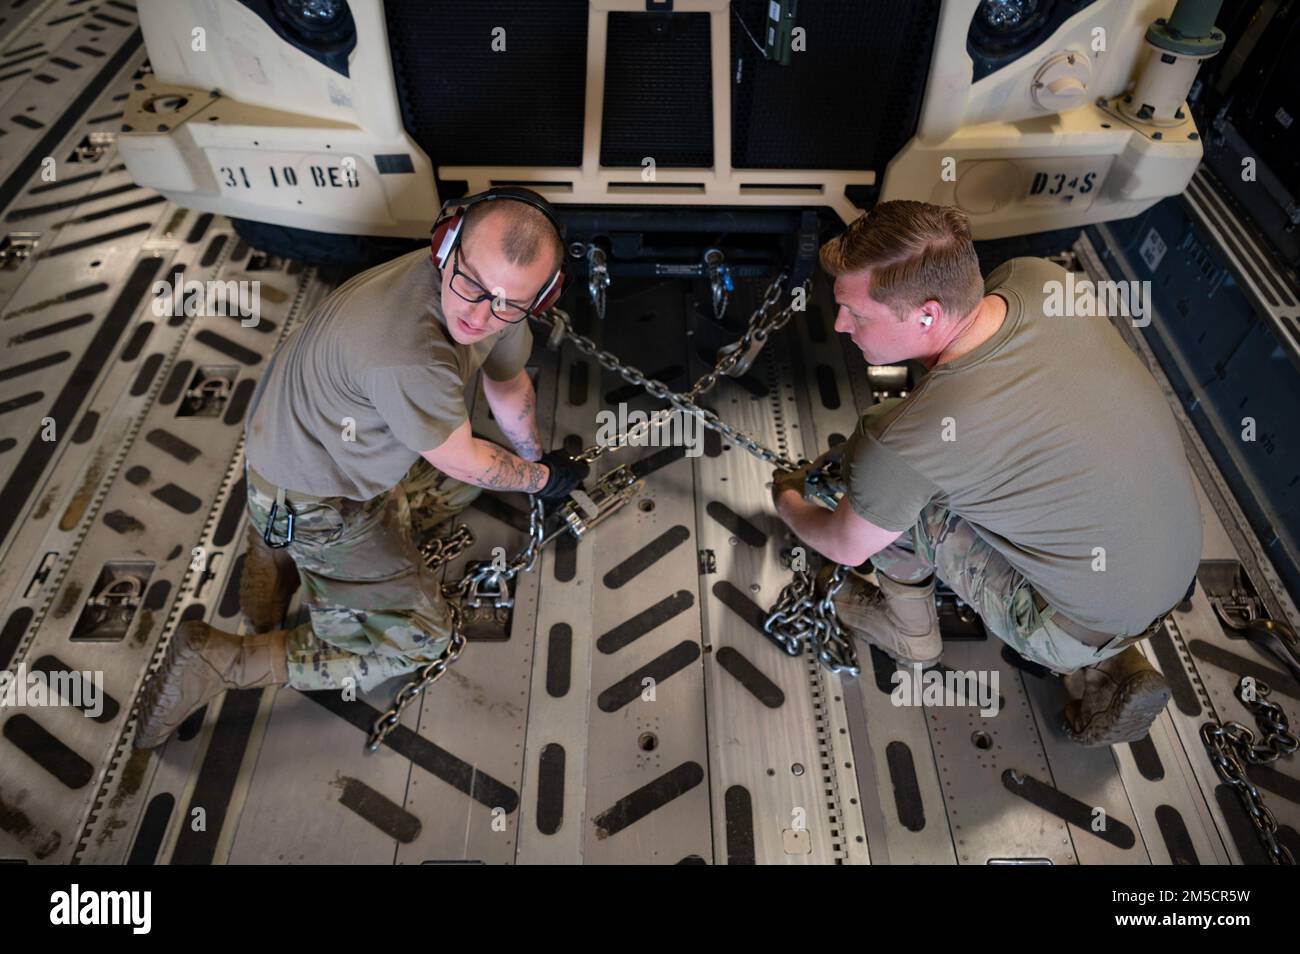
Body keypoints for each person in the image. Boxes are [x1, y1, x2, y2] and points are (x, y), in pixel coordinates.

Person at [134, 189, 588, 748]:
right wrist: (543, 481)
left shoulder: (493, 288)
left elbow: (507, 378)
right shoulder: (409, 350)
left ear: (536, 297)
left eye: (508, 305)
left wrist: (534, 459)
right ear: (445, 247)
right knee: (421, 638)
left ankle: (275, 546)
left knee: (462, 485)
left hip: (308, 446)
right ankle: (222, 660)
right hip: (316, 496)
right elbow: (463, 459)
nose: (480, 316)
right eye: (471, 286)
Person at [771, 200, 1201, 745]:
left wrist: (787, 501)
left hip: (1071, 624)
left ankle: (911, 637)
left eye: (856, 313)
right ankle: (1114, 652)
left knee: (902, 504)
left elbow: (844, 545)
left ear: (927, 315)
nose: (840, 324)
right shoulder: (1037, 277)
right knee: (930, 477)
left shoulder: (902, 442)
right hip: (1174, 564)